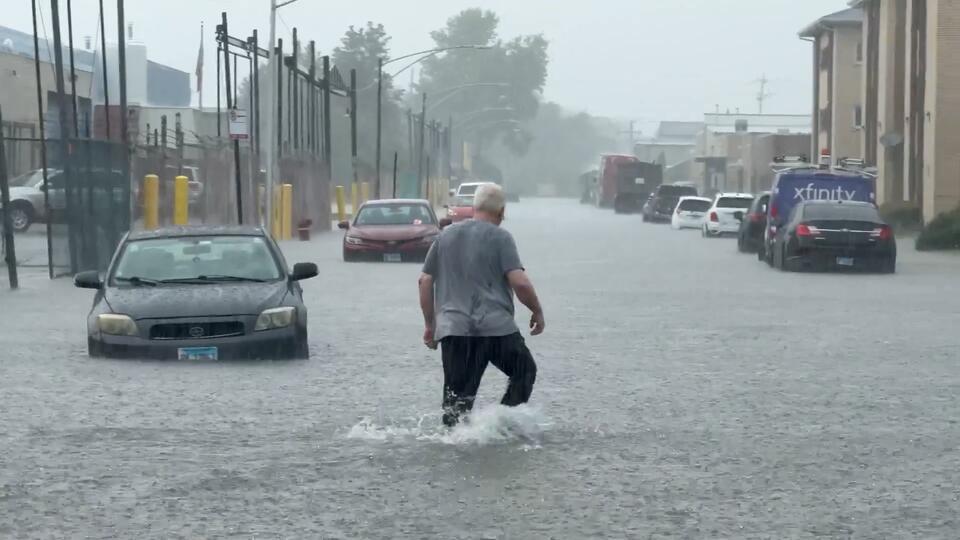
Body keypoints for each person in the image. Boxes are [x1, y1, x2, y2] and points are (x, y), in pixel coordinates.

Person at [418, 183, 545, 427]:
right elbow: (519, 282)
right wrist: (537, 311)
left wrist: (429, 325)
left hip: (455, 331)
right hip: (497, 331)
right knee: (524, 371)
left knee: (456, 406)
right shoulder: (501, 237)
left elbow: (424, 281)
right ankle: (501, 425)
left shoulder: (445, 236)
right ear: (502, 211)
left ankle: (458, 447)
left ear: (473, 207)